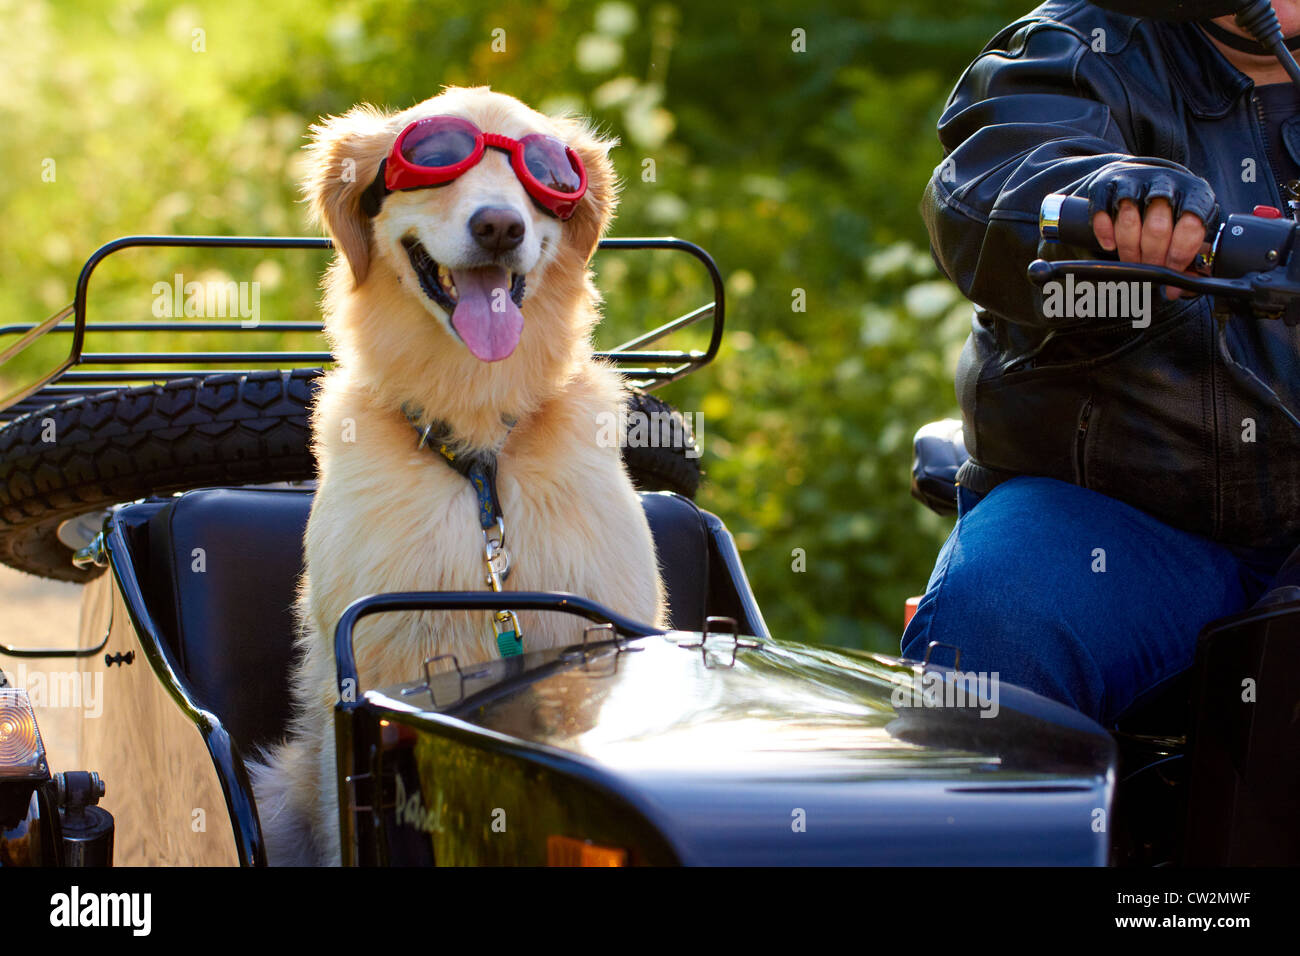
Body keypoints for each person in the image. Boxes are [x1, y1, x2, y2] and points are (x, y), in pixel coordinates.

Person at [902, 1, 1300, 725]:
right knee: (1000, 627)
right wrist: (1106, 199)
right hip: (1119, 513)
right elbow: (991, 185)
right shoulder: (1077, 44)